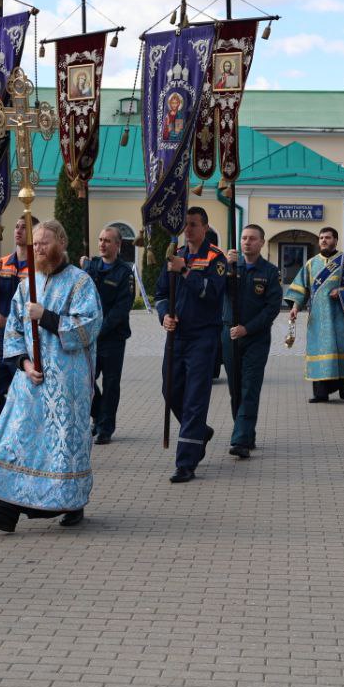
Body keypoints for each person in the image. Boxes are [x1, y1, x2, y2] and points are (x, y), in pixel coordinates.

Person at [0, 220, 102, 532]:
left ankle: (72, 503)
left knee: (63, 445)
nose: (38, 248)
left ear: (62, 243)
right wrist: (25, 364)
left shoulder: (79, 282)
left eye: (44, 242)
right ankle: (6, 510)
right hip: (30, 381)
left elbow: (90, 325)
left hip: (67, 383)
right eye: (36, 243)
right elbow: (13, 330)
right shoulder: (26, 283)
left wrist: (47, 317)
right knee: (17, 439)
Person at [157, 206, 227, 484]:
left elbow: (211, 294)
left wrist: (185, 271)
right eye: (185, 224)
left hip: (203, 336)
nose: (188, 229)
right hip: (177, 336)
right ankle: (200, 431)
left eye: (194, 224)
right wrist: (165, 316)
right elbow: (161, 292)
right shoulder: (175, 255)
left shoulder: (216, 258)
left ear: (206, 228)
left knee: (195, 398)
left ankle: (186, 462)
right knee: (170, 390)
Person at [221, 225, 282, 458]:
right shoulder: (230, 268)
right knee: (235, 388)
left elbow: (272, 308)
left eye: (252, 239)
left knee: (249, 388)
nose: (247, 242)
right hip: (229, 335)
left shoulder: (269, 272)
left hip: (255, 338)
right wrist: (226, 267)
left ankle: (240, 440)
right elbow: (216, 291)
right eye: (244, 238)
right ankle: (246, 431)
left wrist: (248, 328)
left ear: (262, 243)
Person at [285, 226, 344, 402]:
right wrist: (296, 307)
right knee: (319, 351)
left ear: (335, 240)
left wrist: (342, 291)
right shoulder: (311, 264)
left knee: (339, 349)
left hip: (341, 317)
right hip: (318, 318)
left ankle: (342, 383)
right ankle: (320, 394)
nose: (324, 241)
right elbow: (301, 289)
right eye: (321, 238)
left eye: (327, 237)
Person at [83, 226, 134, 445]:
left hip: (112, 337)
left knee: (112, 383)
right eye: (100, 239)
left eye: (108, 241)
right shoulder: (91, 266)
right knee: (86, 380)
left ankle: (105, 427)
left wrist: (100, 329)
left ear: (118, 245)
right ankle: (99, 414)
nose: (103, 244)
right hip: (90, 337)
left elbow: (122, 308)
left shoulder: (124, 272)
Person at [0, 215, 34, 418]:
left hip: (24, 343)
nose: (19, 230)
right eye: (16, 226)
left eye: (24, 227)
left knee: (24, 394)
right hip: (1, 341)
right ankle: (3, 429)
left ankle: (18, 434)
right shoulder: (2, 263)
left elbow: (35, 307)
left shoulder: (36, 268)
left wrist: (9, 321)